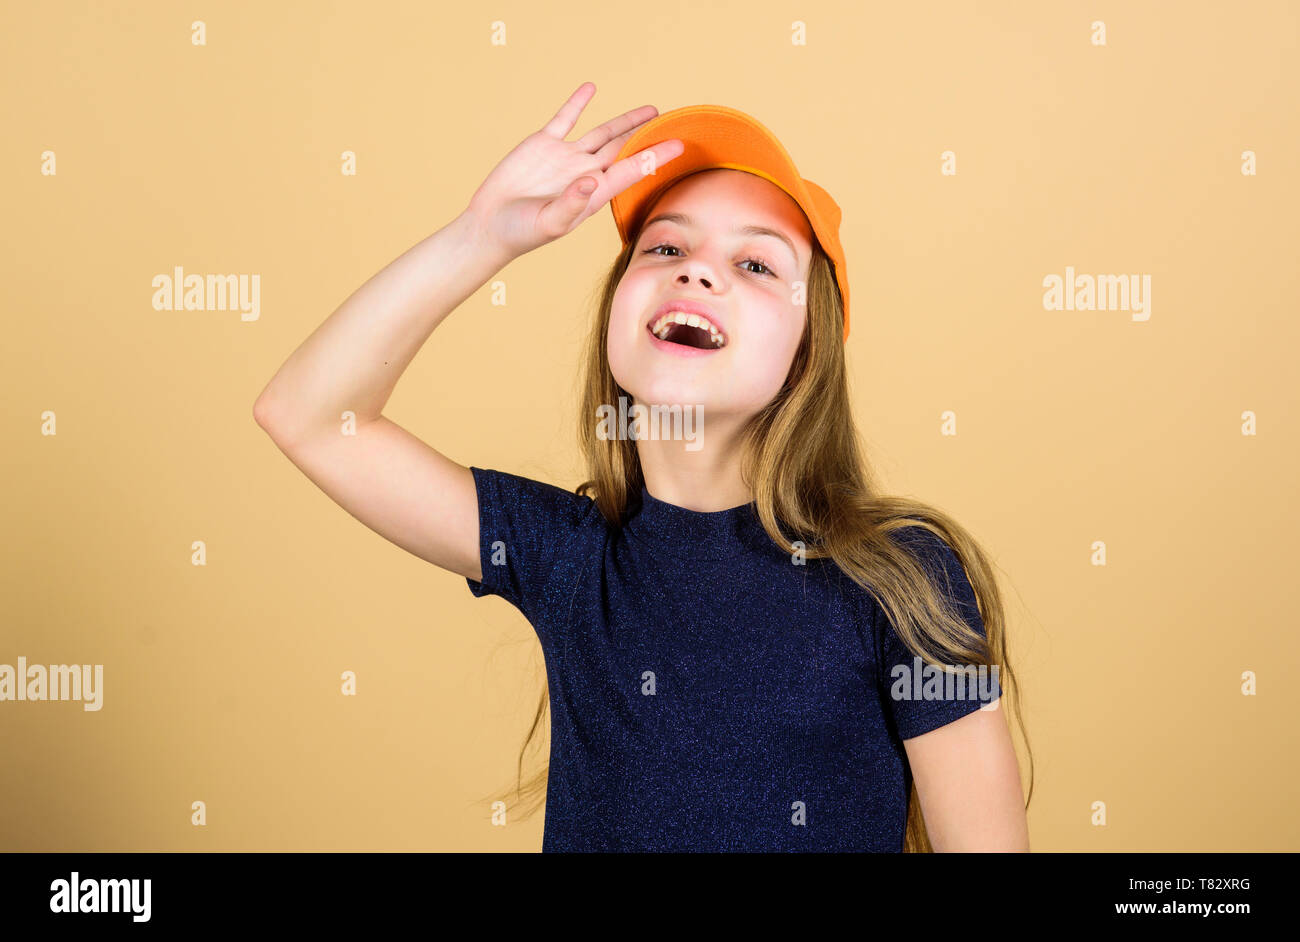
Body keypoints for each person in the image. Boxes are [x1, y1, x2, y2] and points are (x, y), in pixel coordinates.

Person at [254, 81, 1032, 852]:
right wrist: (482, 236)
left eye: (757, 265)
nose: (695, 271)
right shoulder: (566, 557)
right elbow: (310, 417)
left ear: (808, 352)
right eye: (665, 247)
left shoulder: (903, 575)